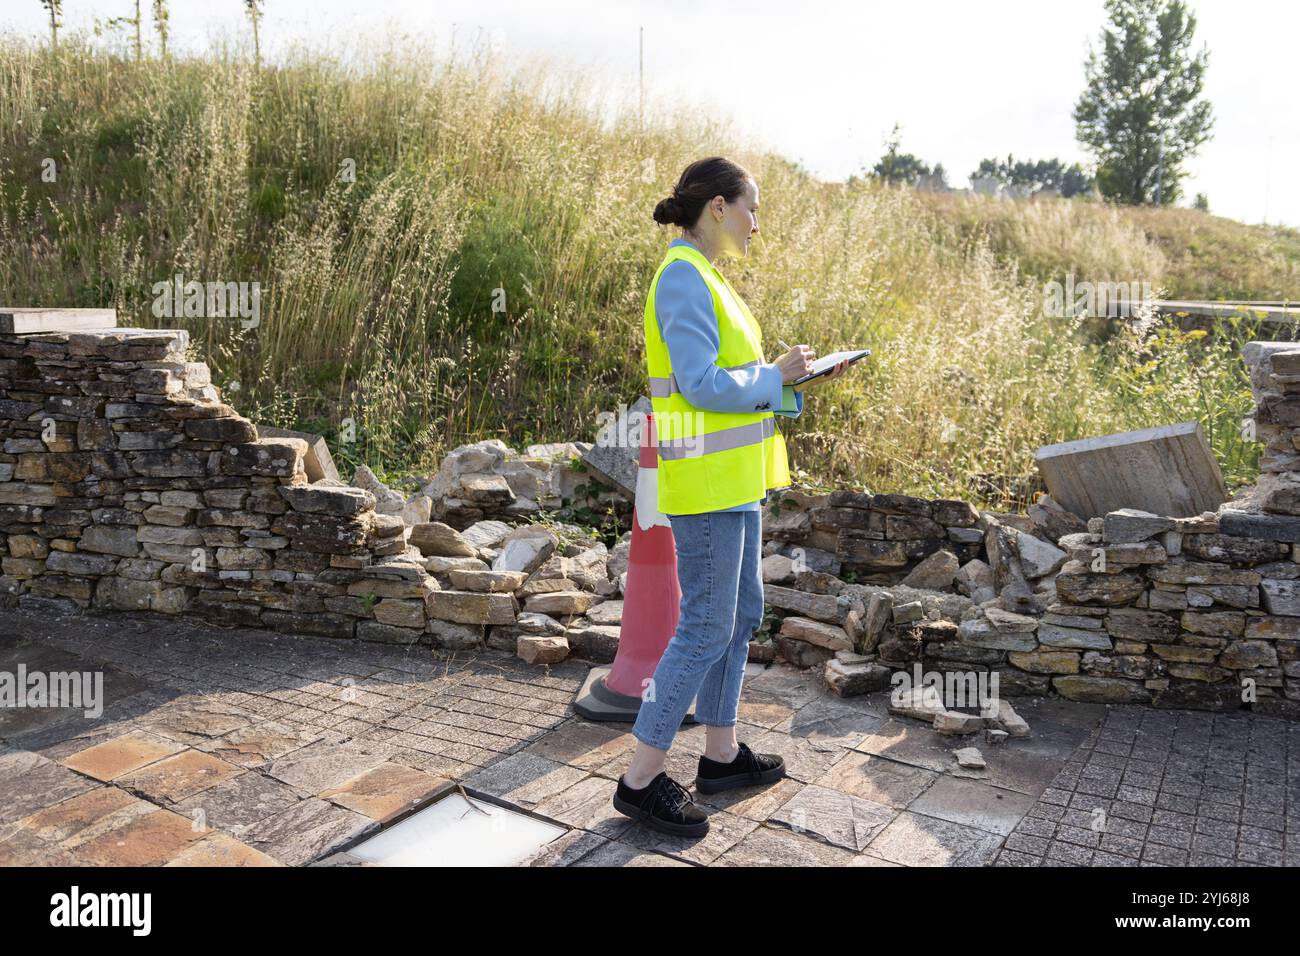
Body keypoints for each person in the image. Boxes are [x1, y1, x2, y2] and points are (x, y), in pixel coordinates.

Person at [611, 156, 850, 837]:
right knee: (706, 626)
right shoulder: (682, 278)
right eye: (750, 207)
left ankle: (719, 756)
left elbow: (730, 379)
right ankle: (640, 779)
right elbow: (698, 384)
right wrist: (773, 375)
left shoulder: (707, 277)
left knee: (741, 612)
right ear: (717, 207)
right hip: (706, 486)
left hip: (734, 480)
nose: (756, 221)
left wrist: (785, 379)